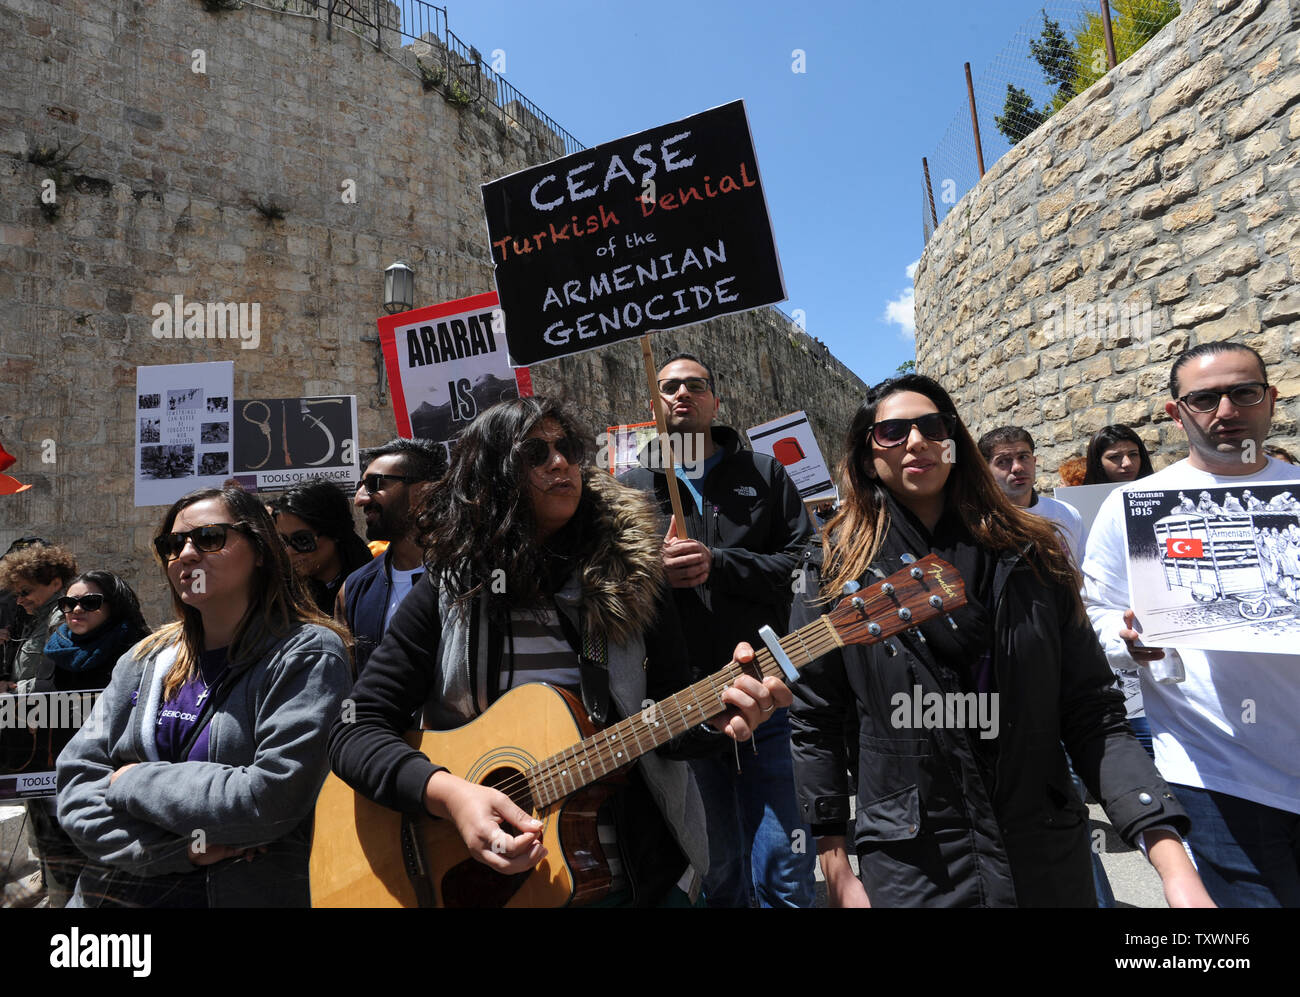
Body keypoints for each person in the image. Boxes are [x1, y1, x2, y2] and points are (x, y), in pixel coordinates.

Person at [328, 397, 792, 907]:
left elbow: (666, 718)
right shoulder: (448, 588)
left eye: (567, 448)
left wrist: (713, 722)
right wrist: (452, 796)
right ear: (491, 476)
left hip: (632, 879)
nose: (559, 463)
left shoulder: (633, 578)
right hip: (491, 887)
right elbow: (356, 729)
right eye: (534, 452)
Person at [791, 373, 1211, 907]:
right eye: (892, 432)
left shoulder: (1035, 554)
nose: (915, 442)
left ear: (953, 441)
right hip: (915, 860)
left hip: (1042, 845)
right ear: (865, 452)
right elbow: (816, 719)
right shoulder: (833, 572)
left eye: (931, 426)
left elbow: (1091, 711)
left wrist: (1171, 861)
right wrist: (836, 866)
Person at [57, 487, 351, 907]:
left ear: (262, 550)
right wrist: (176, 850)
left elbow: (268, 800)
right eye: (173, 544)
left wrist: (134, 779)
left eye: (210, 538)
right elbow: (77, 780)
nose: (187, 555)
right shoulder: (144, 659)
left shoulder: (306, 655)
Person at [1082, 342, 1300, 907]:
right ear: (1177, 412)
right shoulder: (1137, 505)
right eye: (1204, 398)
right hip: (1215, 772)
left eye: (1243, 393)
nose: (1226, 411)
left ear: (1271, 399)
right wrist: (1129, 641)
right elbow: (1096, 615)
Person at [618, 353, 817, 908]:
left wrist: (722, 563)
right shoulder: (630, 488)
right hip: (682, 701)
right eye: (669, 387)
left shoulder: (764, 473)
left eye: (696, 385)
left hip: (765, 689)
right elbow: (606, 589)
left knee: (782, 865)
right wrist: (652, 570)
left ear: (715, 400)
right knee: (717, 866)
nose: (683, 394)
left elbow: (806, 560)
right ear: (653, 403)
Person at [0, 542, 77, 906]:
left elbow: (61, 677)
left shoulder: (63, 619)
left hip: (52, 734)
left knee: (54, 818)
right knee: (39, 811)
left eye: (26, 591)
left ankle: (62, 892)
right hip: (32, 727)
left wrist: (17, 689)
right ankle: (48, 876)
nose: (20, 600)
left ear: (54, 582)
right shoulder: (35, 618)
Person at [337, 439, 446, 677]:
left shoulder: (470, 580)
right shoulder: (353, 590)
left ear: (422, 494)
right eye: (361, 486)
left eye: (374, 485)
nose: (360, 499)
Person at [977, 426, 1085, 561]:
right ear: (986, 471)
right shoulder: (978, 526)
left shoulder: (1067, 514)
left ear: (1034, 462)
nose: (1017, 467)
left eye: (1023, 457)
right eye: (1003, 461)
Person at [271, 477, 373, 615]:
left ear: (335, 532)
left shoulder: (372, 588)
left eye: (302, 540)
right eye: (282, 541)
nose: (289, 551)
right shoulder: (279, 597)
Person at [43, 571, 152, 691]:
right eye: (69, 603)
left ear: (114, 606)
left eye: (90, 602)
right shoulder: (55, 651)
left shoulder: (139, 653)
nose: (77, 609)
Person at [1083, 425, 1156, 484]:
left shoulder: (1162, 495)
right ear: (1098, 462)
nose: (1127, 463)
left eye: (1133, 454)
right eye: (1114, 457)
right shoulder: (1081, 500)